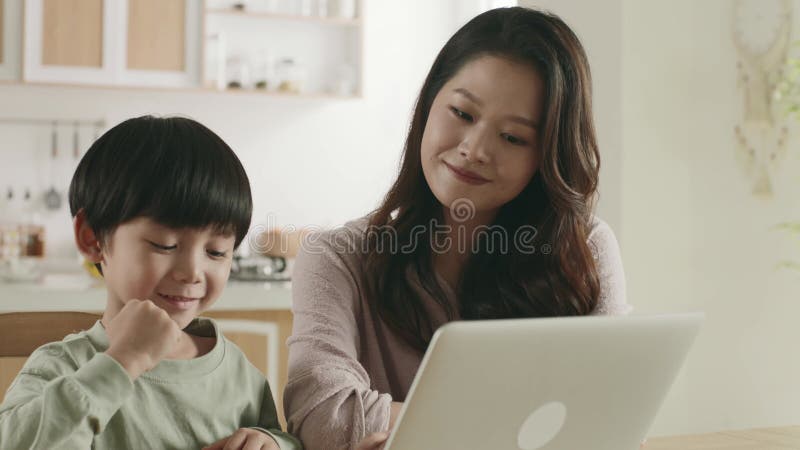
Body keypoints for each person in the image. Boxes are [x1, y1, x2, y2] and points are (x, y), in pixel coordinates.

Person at [284, 6, 631, 450]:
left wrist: (412, 426)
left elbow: (613, 413)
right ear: (430, 102)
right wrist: (520, 424)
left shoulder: (584, 248)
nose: (475, 149)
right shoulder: (337, 258)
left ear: (545, 156)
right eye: (463, 113)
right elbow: (323, 417)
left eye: (513, 138)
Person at [0, 116, 301, 450]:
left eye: (216, 252)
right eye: (165, 245)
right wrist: (121, 363)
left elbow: (283, 438)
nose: (192, 272)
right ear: (93, 239)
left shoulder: (238, 373)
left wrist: (271, 443)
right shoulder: (61, 367)